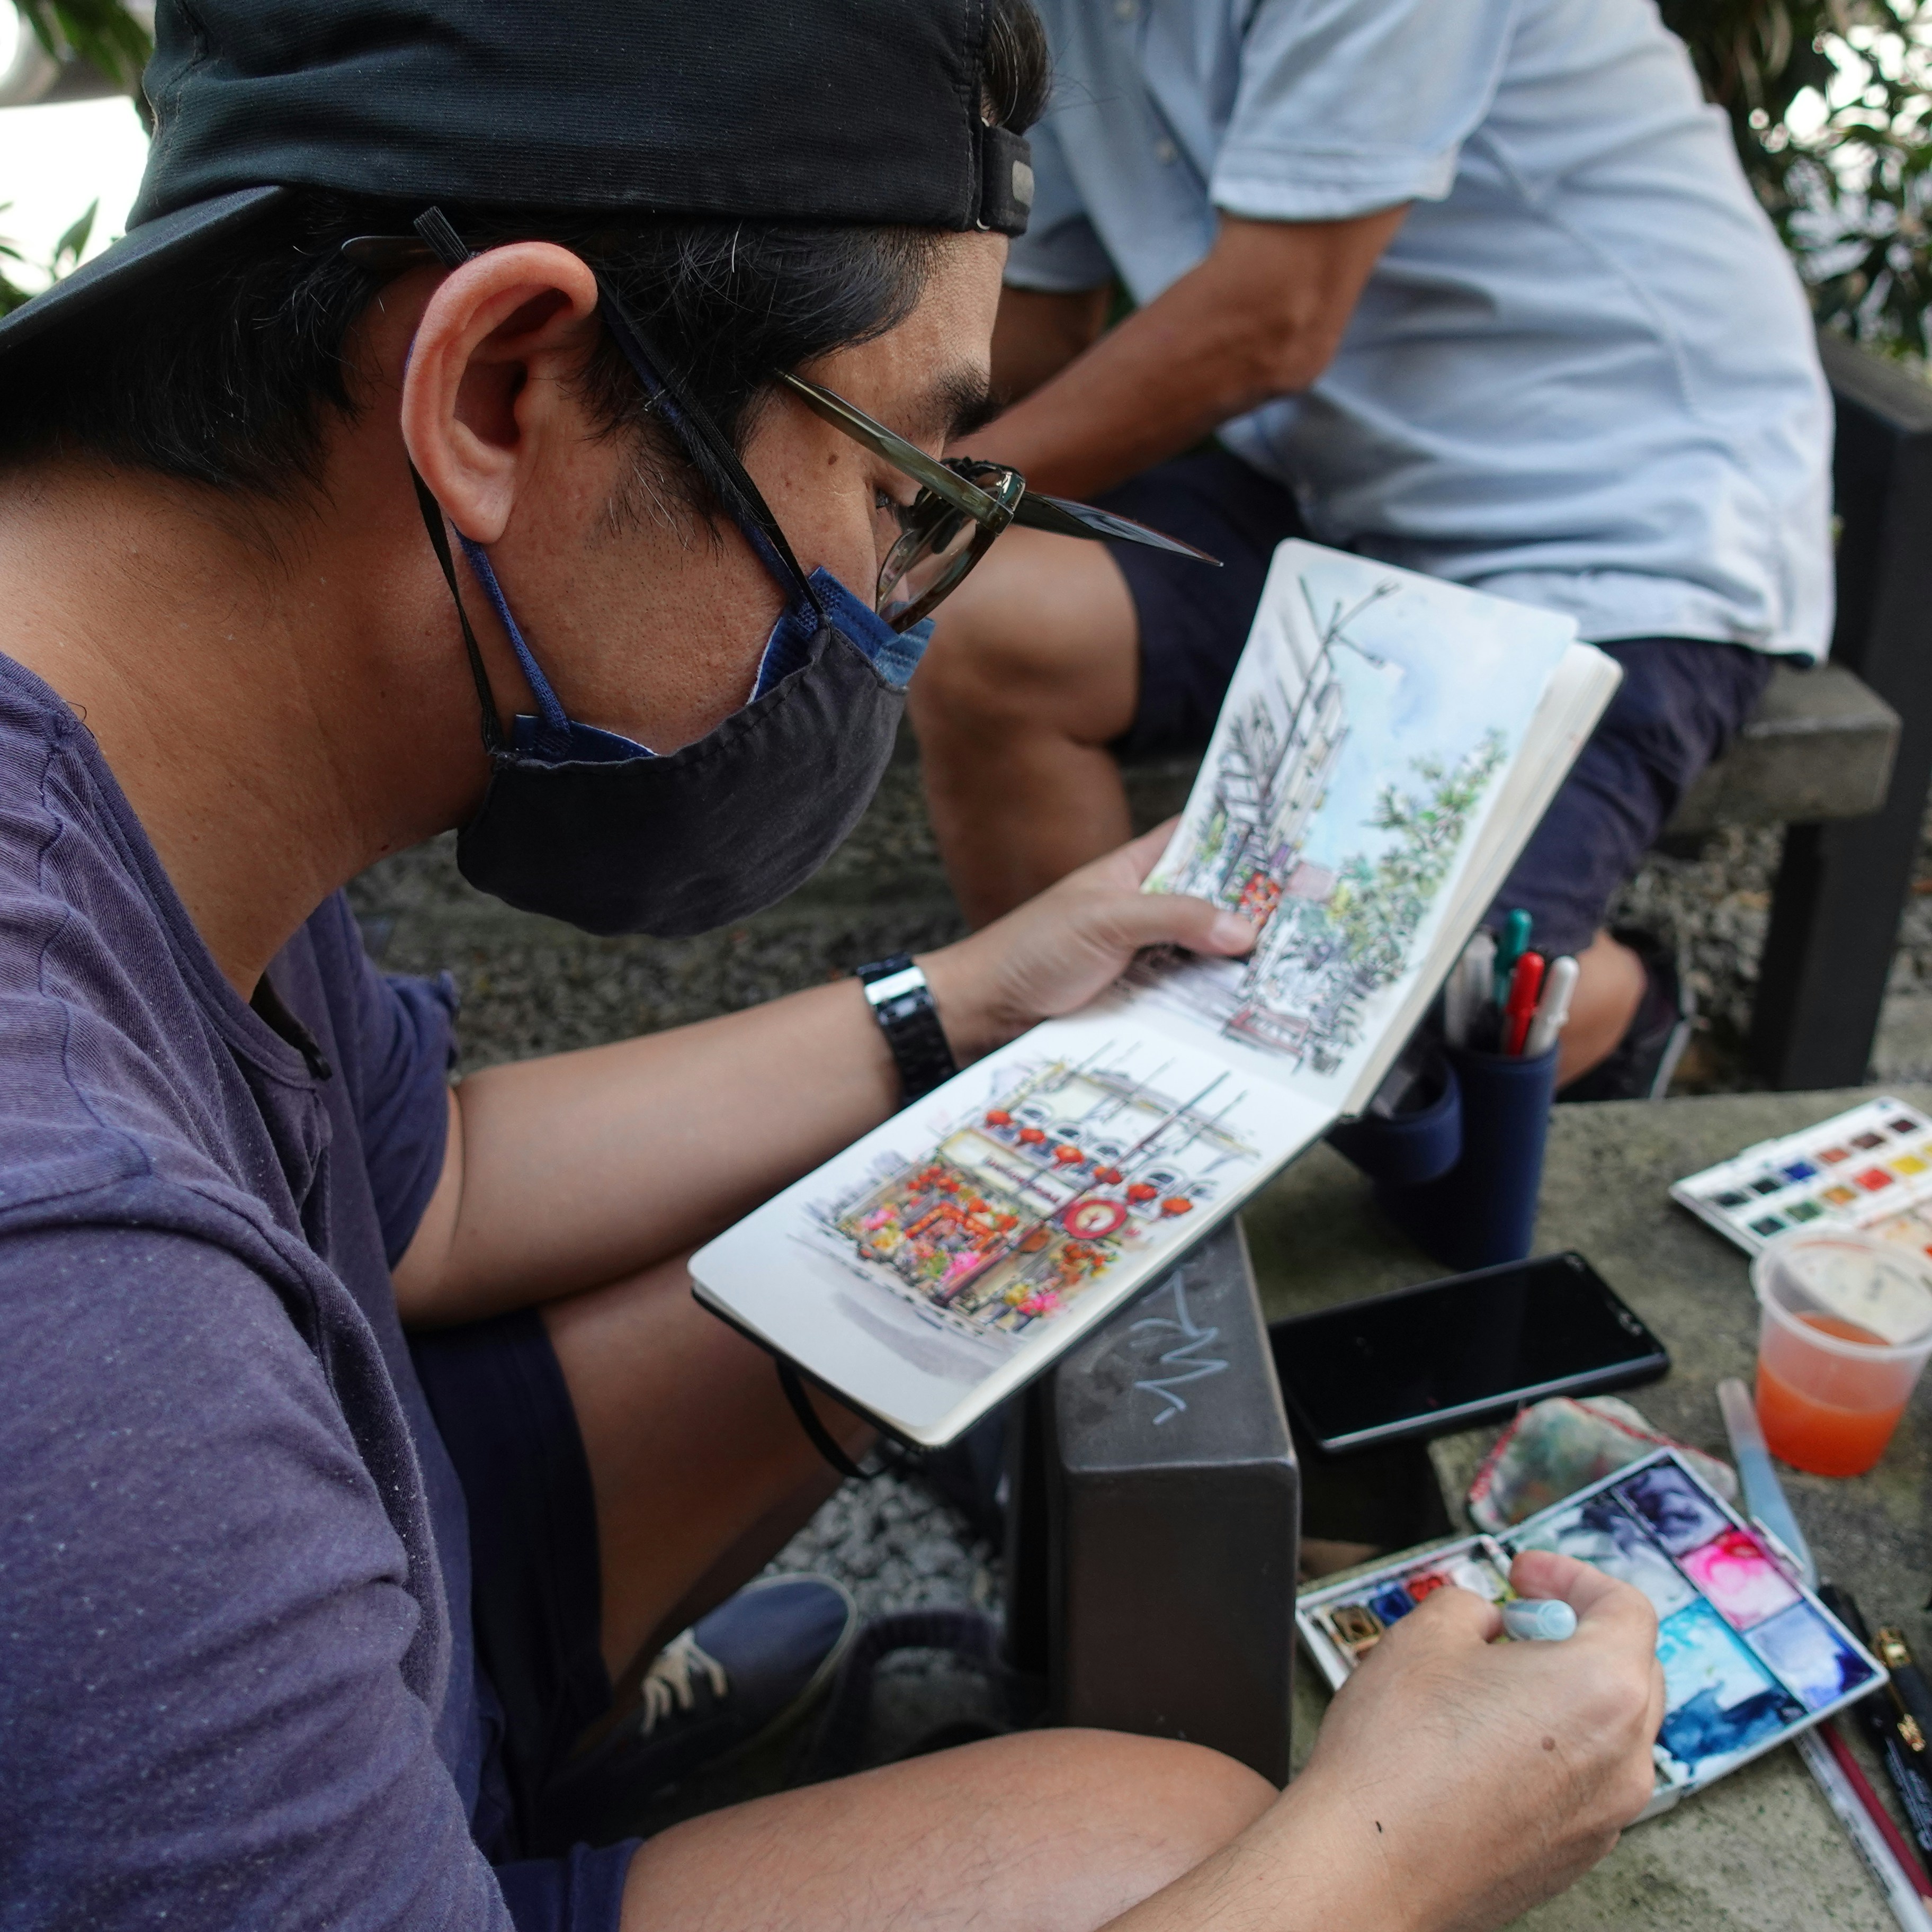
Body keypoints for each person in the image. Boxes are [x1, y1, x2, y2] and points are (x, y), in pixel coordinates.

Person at [0, 2, 1663, 1927]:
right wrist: (1394, 1857)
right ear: (500, 388)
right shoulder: (70, 1282)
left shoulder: (150, 694)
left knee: (913, 1255)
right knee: (1200, 1834)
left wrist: (964, 1001)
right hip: (252, 1657)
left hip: (362, 1542)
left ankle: (448, 1733)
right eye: (903, 488)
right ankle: (402, 1805)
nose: (892, 592)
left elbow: (425, 1186)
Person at [908, 0, 1833, 1098]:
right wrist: (835, 437)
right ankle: (1084, 1085)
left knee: (1369, 1022)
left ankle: (1629, 1016)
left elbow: (1274, 321)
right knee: (990, 629)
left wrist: (914, 498)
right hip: (1333, 491)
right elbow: (1045, 321)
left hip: (1618, 533)